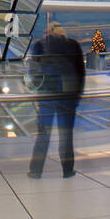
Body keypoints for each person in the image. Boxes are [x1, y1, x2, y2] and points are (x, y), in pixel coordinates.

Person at [26, 23, 85, 179]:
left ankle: (35, 170)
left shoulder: (39, 45)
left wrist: (37, 89)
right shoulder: (73, 45)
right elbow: (80, 72)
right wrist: (77, 95)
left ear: (48, 32)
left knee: (43, 134)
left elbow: (33, 71)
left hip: (46, 95)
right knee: (66, 135)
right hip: (67, 95)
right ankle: (67, 170)